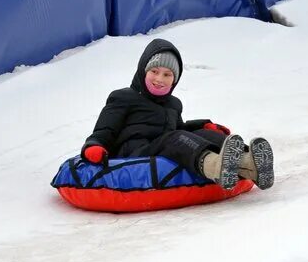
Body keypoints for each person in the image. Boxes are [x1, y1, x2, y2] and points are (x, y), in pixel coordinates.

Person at [80, 38, 273, 191]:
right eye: (154, 71)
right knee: (175, 138)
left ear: (175, 79)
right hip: (135, 153)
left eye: (167, 74)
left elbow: (178, 129)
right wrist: (94, 146)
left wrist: (204, 126)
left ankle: (251, 165)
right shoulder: (122, 97)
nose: (159, 79)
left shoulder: (174, 104)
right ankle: (215, 167)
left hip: (164, 146)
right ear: (143, 71)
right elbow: (104, 130)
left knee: (201, 135)